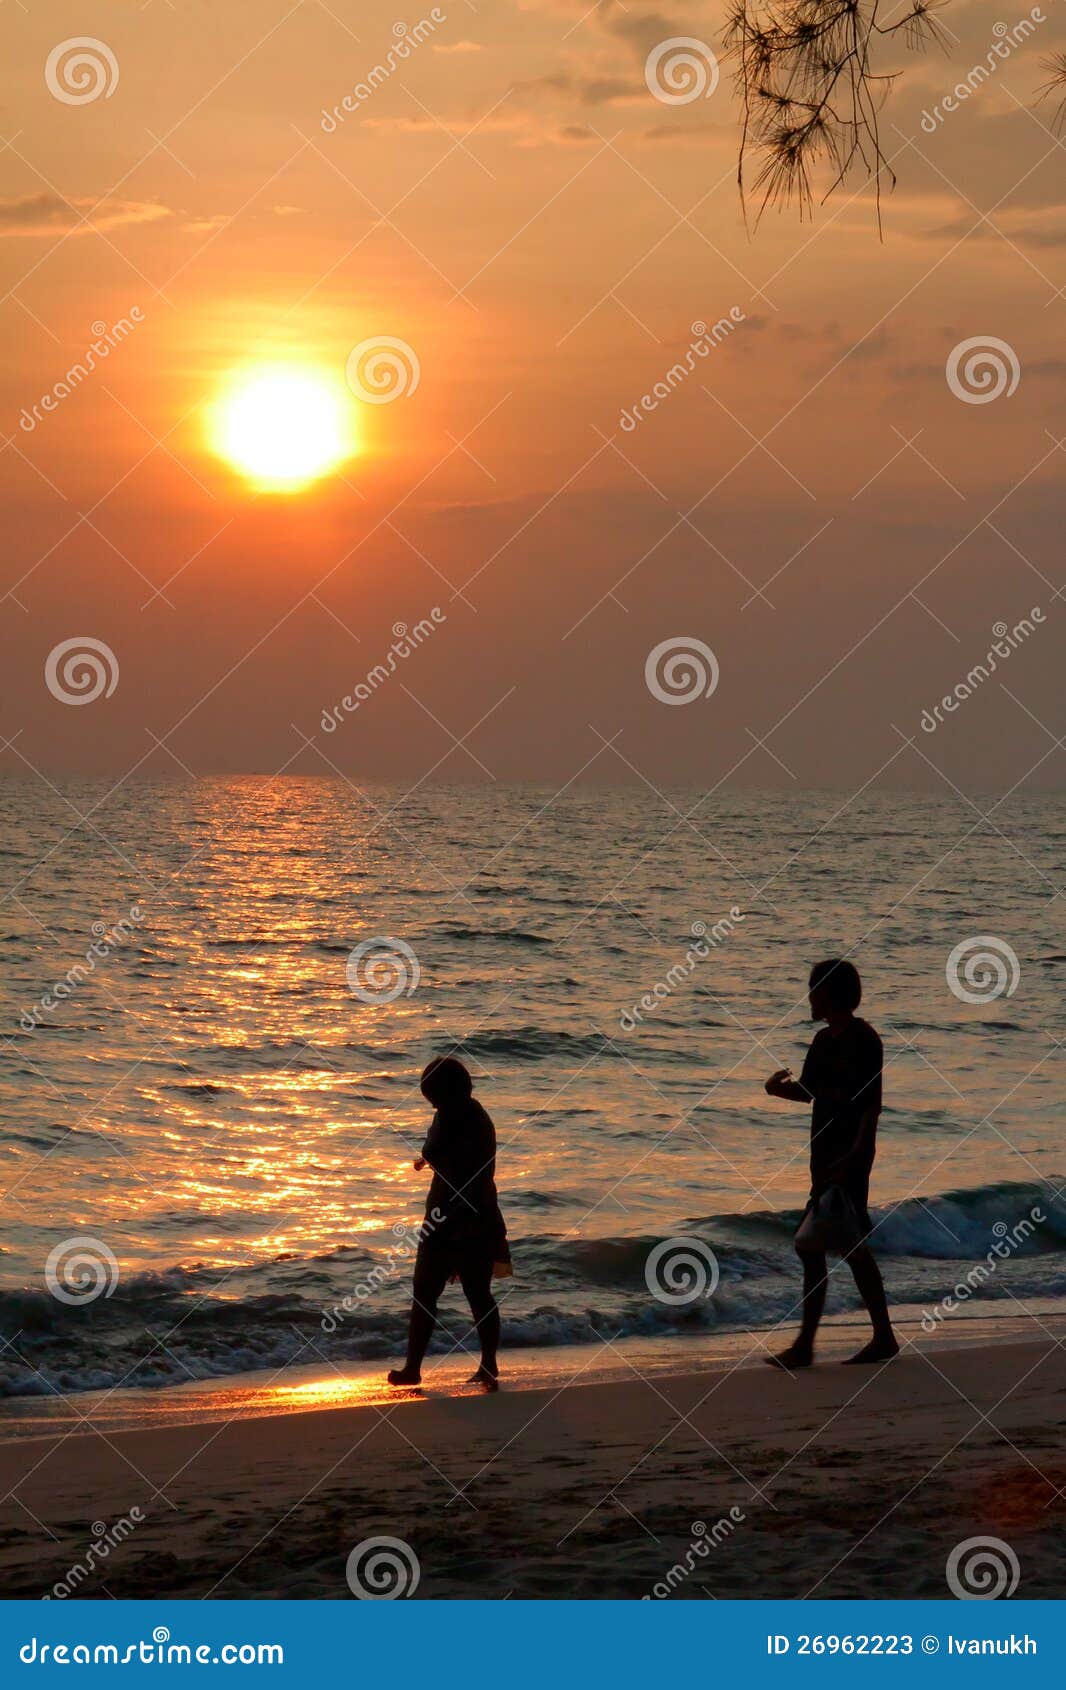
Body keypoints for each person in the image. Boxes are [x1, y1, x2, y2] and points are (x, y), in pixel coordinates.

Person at [764, 959, 898, 1370]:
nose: (809, 997)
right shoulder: (822, 1041)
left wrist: (857, 1158)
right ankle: (873, 1338)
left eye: (814, 990)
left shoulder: (865, 1040)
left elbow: (870, 1109)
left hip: (850, 1156)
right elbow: (809, 1093)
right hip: (822, 1154)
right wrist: (775, 1091)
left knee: (828, 1246)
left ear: (831, 994)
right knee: (833, 1246)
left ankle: (818, 1344)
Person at [388, 1056, 511, 1392]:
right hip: (444, 1217)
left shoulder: (470, 1121)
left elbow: (456, 1164)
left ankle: (488, 1363)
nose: (433, 1105)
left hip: (470, 1219)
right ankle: (414, 1367)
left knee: (475, 1293)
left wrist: (430, 1156)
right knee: (426, 1291)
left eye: (435, 1098)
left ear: (450, 1093)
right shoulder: (451, 1116)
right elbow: (437, 1154)